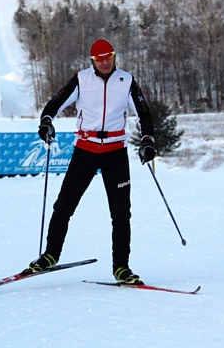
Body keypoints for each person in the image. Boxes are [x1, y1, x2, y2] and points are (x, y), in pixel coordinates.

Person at [28, 39, 155, 285]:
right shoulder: (81, 79)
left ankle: (122, 268)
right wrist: (45, 122)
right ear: (92, 60)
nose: (105, 62)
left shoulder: (126, 80)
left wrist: (148, 140)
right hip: (85, 151)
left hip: (115, 153)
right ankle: (50, 255)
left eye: (109, 56)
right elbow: (55, 103)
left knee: (121, 214)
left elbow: (144, 113)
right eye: (100, 58)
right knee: (63, 206)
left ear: (114, 56)